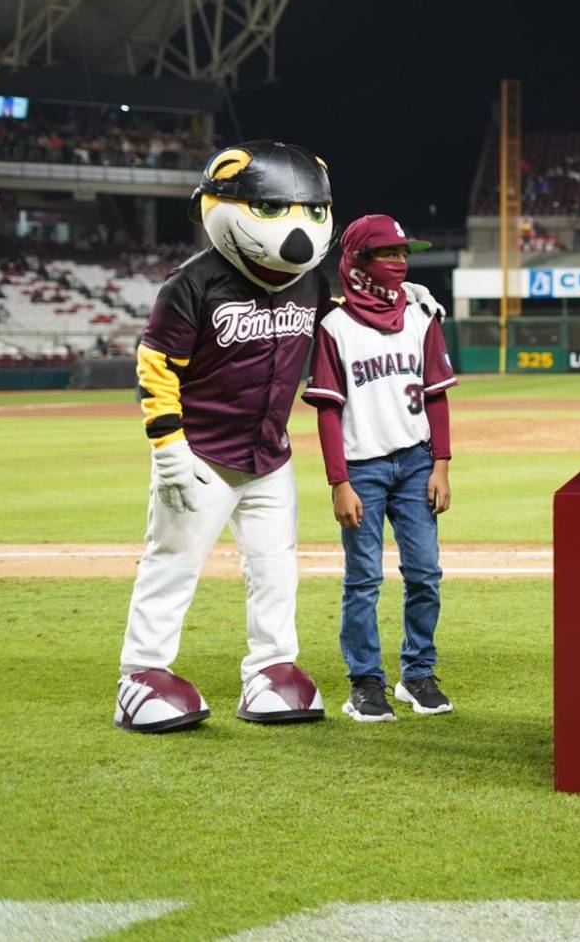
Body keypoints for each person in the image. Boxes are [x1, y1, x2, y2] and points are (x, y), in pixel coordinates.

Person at [117, 141, 337, 732]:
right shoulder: (193, 283)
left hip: (270, 454)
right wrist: (167, 447)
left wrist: (401, 305)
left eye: (311, 211)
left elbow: (340, 321)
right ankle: (141, 672)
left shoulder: (310, 281)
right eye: (271, 209)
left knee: (274, 566)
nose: (298, 231)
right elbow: (156, 364)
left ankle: (272, 669)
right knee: (172, 562)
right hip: (202, 454)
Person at [303, 215, 457, 722]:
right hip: (362, 468)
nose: (400, 263)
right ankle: (365, 682)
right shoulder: (334, 326)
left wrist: (441, 465)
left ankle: (417, 674)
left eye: (403, 254)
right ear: (359, 261)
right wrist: (338, 481)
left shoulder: (421, 315)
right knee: (363, 579)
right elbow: (328, 411)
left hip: (415, 464)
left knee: (425, 574)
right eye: (388, 254)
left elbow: (435, 397)